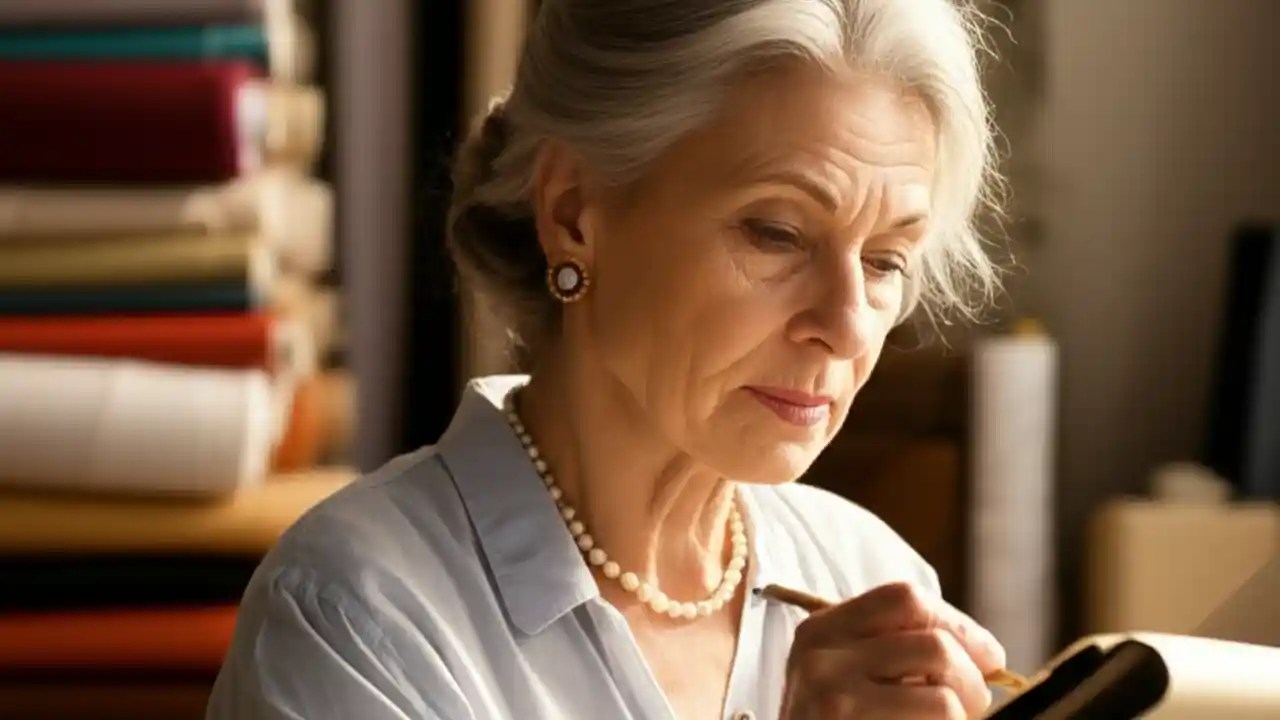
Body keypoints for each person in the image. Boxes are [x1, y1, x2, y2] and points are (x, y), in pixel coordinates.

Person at [207, 0, 1009, 717]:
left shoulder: (869, 575)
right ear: (573, 213)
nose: (845, 326)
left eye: (884, 261)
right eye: (778, 233)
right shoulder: (355, 615)